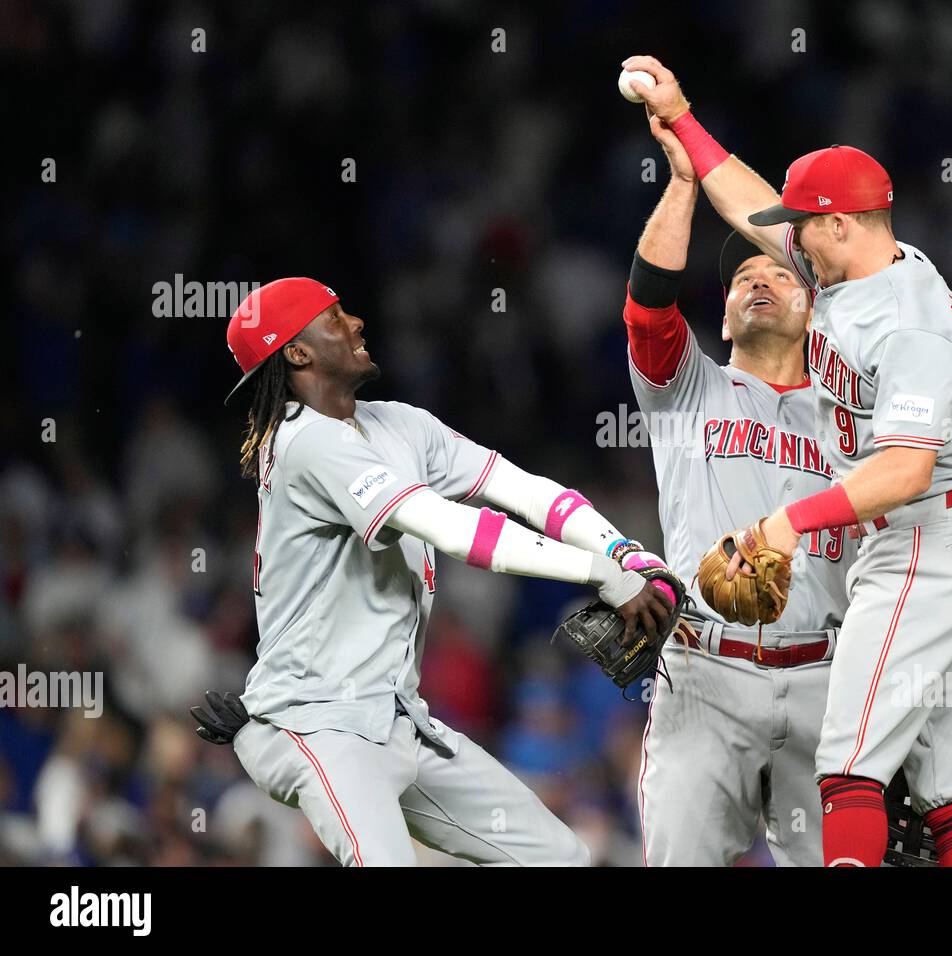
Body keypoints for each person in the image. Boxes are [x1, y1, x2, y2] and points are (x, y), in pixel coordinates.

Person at [625, 54, 952, 867]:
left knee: (849, 772)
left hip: (922, 541)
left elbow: (904, 472)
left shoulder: (911, 326)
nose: (786, 241)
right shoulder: (840, 273)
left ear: (840, 225)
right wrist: (683, 116)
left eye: (799, 229)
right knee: (950, 796)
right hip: (916, 554)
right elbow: (746, 196)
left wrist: (783, 524)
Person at [218, 277, 673, 866]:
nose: (356, 322)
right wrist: (602, 575)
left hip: (400, 720)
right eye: (333, 318)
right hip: (318, 726)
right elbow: (453, 529)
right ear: (297, 353)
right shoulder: (306, 444)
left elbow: (523, 490)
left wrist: (624, 554)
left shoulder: (399, 426)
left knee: (562, 859)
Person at [625, 111, 847, 866]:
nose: (757, 277)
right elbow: (648, 305)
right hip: (705, 672)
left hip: (827, 679)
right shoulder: (691, 390)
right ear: (721, 319)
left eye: (781, 272)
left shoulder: (854, 419)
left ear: (816, 315)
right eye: (743, 277)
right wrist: (685, 184)